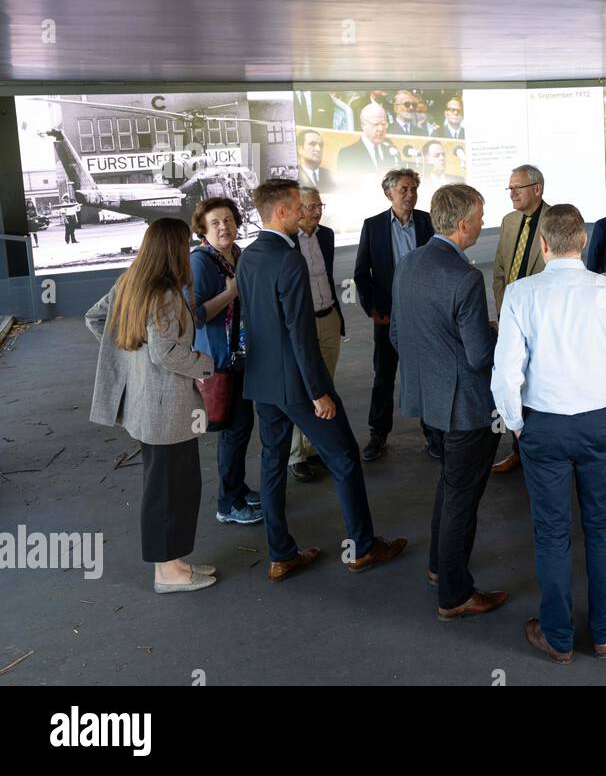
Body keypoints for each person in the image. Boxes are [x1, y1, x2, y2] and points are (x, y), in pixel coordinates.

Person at [491, 204, 606, 663]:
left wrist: (517, 423)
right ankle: (605, 635)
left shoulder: (521, 294)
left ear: (543, 244)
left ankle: (558, 638)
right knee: (603, 528)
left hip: (542, 425)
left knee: (551, 534)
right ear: (583, 241)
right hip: (602, 424)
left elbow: (504, 374)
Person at [237, 178, 407, 581]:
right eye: (298, 207)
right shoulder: (289, 259)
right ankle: (362, 549)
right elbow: (299, 333)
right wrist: (319, 392)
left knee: (273, 463)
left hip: (262, 383)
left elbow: (251, 324)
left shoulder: (247, 256)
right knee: (345, 457)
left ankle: (281, 555)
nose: (305, 212)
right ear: (280, 211)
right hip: (298, 385)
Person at [391, 183, 507, 620]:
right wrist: (500, 334)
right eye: (480, 216)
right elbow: (479, 357)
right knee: (463, 496)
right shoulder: (465, 277)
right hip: (468, 408)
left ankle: (441, 567)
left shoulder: (409, 264)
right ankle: (455, 595)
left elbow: (398, 335)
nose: (482, 222)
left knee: (450, 486)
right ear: (462, 225)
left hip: (430, 401)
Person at [86, 218, 218, 594]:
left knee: (171, 486)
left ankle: (173, 562)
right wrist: (205, 366)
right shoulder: (164, 292)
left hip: (149, 409)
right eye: (185, 243)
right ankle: (166, 572)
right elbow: (165, 352)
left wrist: (131, 356)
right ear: (173, 249)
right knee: (170, 489)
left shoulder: (131, 280)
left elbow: (96, 318)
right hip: (167, 410)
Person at [186, 196, 263, 525]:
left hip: (244, 355)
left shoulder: (238, 255)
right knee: (233, 430)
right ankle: (227, 504)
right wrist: (231, 292)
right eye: (215, 222)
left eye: (229, 220)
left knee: (242, 427)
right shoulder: (201, 262)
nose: (224, 227)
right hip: (220, 360)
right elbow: (198, 315)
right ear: (203, 229)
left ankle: (238, 488)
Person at [353, 168, 438, 462]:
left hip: (423, 315)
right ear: (389, 193)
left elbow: (439, 264)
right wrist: (373, 310)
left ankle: (433, 433)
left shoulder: (428, 221)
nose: (410, 194)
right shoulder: (373, 225)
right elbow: (362, 273)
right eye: (404, 189)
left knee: (426, 375)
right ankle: (378, 434)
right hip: (388, 316)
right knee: (384, 376)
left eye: (414, 188)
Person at [490, 163, 550, 474]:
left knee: (538, 385)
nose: (511, 193)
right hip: (510, 321)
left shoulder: (555, 220)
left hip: (541, 324)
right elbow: (500, 273)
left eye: (518, 187)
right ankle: (518, 449)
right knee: (512, 384)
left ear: (537, 189)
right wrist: (505, 314)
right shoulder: (509, 221)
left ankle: (540, 451)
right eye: (510, 188)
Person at [287, 186, 346, 481]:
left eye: (319, 205)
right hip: (304, 325)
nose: (316, 211)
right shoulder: (286, 242)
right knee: (305, 388)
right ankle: (296, 456)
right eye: (310, 207)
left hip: (329, 317)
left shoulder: (327, 235)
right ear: (296, 209)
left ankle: (313, 449)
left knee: (326, 386)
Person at [336, 103, 399, 175]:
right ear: (363, 125)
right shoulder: (348, 154)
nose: (381, 129)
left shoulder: (391, 151)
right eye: (376, 124)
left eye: (383, 124)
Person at [296, 129, 333, 193]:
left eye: (320, 145)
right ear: (300, 149)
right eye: (312, 144)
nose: (318, 149)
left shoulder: (331, 176)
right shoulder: (293, 177)